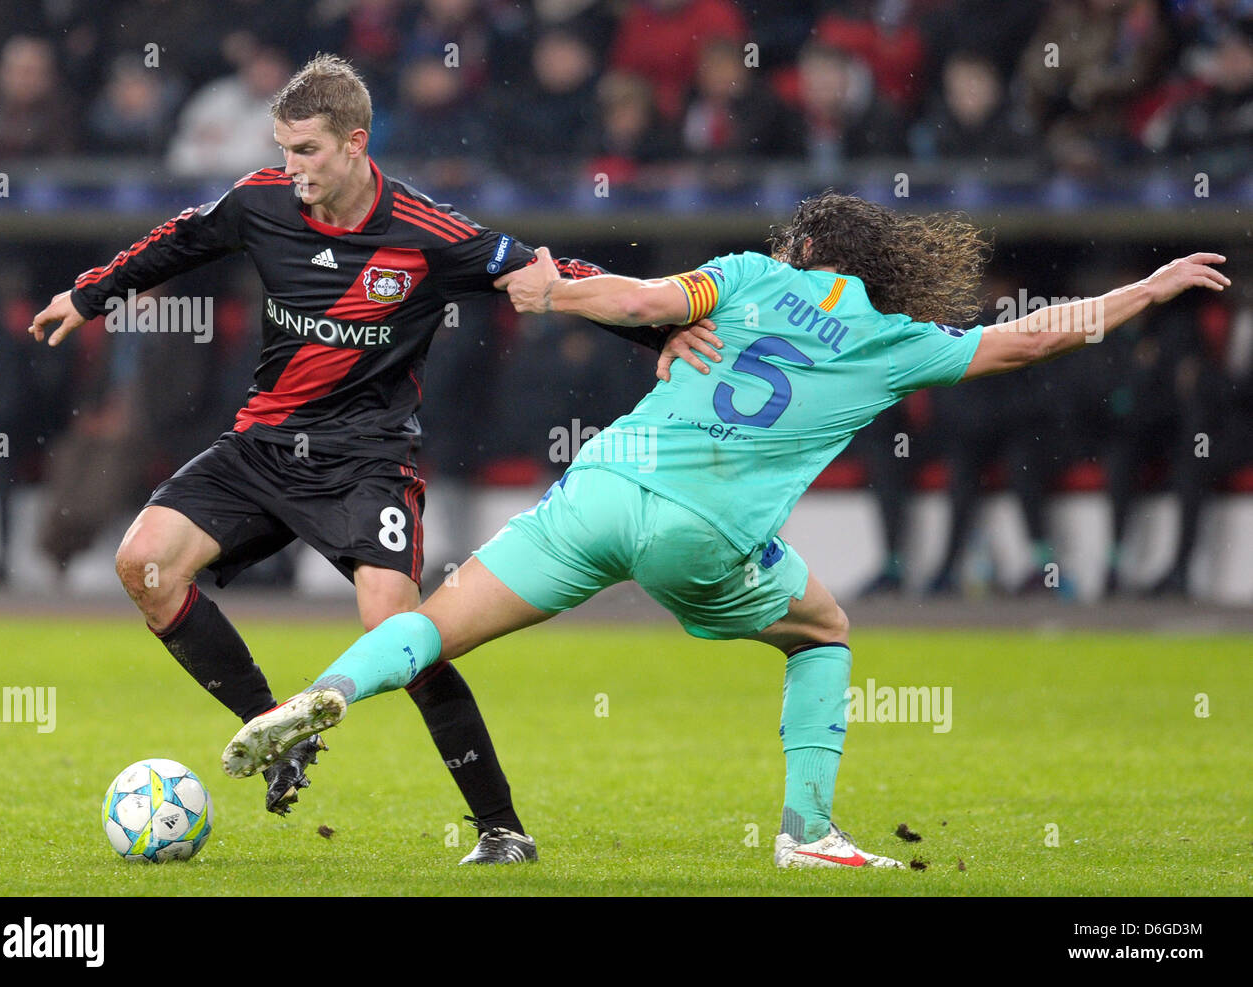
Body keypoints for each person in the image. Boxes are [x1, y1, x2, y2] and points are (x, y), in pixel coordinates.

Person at [221, 191, 1227, 869]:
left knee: (437, 625)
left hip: (604, 489)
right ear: (872, 271)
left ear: (800, 255)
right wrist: (1143, 290)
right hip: (702, 535)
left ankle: (328, 689)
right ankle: (806, 830)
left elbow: (646, 301)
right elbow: (1022, 343)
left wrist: (555, 287)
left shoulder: (746, 276)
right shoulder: (892, 341)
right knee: (822, 629)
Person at [28, 54, 716, 864]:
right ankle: (275, 729)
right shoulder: (260, 201)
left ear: (357, 144)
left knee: (402, 631)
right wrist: (88, 295)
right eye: (284, 149)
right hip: (263, 443)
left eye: (308, 152)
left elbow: (547, 273)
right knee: (144, 564)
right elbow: (177, 243)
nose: (292, 169)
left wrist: (657, 326)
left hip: (367, 460)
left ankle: (501, 827)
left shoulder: (427, 233)